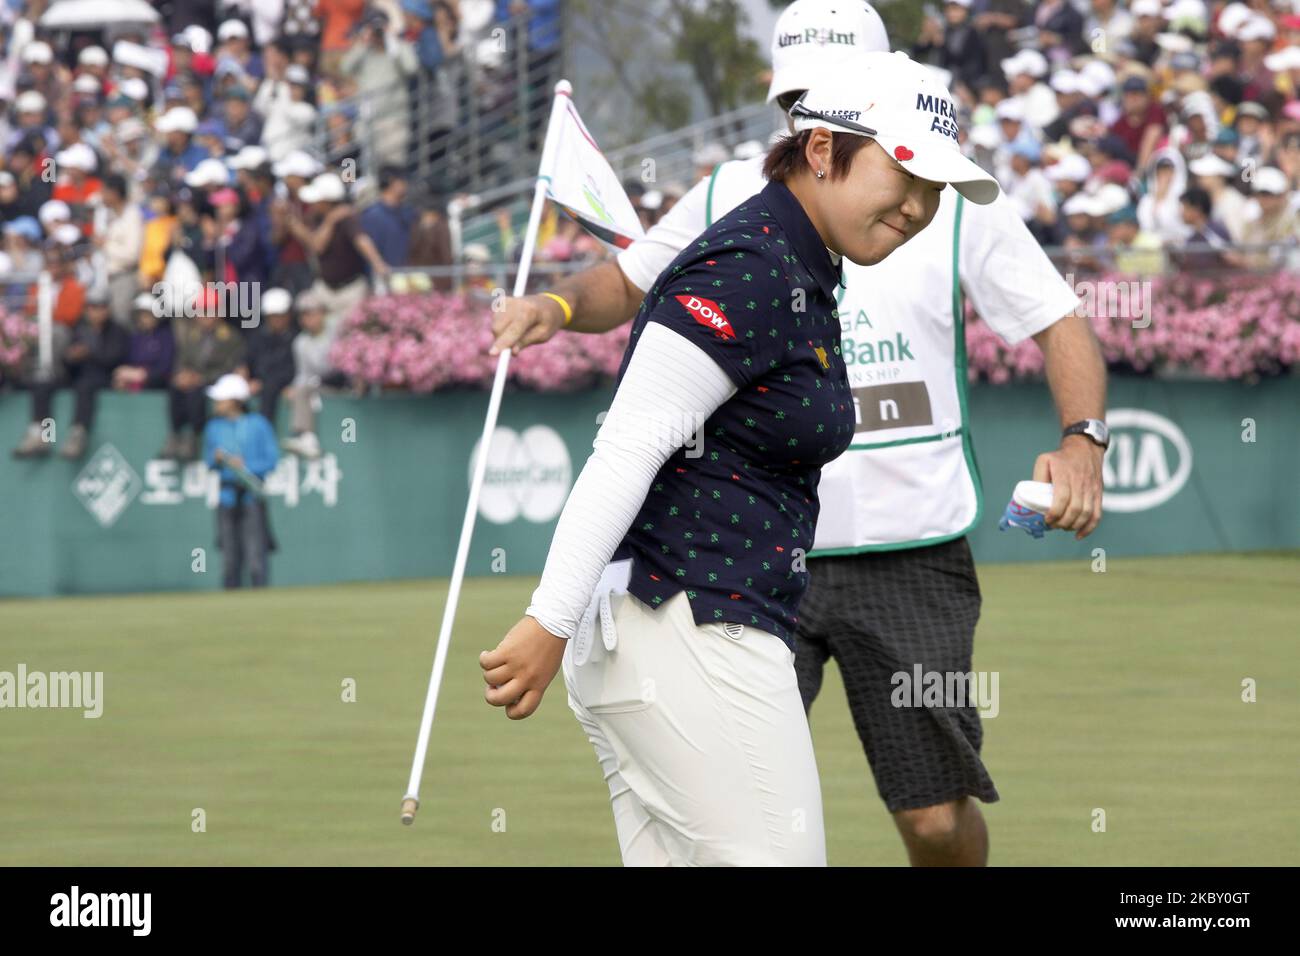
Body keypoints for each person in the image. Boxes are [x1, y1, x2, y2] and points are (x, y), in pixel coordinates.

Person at [489, 0, 1106, 868]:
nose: (920, 207)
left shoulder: (805, 254)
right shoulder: (753, 257)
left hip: (789, 585)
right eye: (905, 177)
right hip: (692, 614)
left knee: (923, 816)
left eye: (934, 186)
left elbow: (1059, 318)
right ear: (815, 143)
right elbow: (630, 442)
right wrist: (546, 619)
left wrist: (1086, 436)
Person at [12, 288, 129, 461]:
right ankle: (43, 435)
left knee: (85, 386)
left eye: (100, 306)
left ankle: (77, 433)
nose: (96, 311)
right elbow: (67, 360)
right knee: (43, 383)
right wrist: (71, 356)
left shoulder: (117, 330)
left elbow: (115, 358)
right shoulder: (79, 328)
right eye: (92, 306)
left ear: (108, 309)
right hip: (77, 374)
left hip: (103, 377)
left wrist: (89, 353)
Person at [203, 373, 279, 589]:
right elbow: (209, 460)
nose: (216, 403)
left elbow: (271, 460)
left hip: (251, 497)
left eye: (221, 399)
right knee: (229, 557)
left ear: (235, 401)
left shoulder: (258, 424)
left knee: (256, 555)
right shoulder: (213, 427)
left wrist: (245, 466)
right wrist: (218, 460)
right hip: (226, 497)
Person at [163, 296, 247, 461]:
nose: (203, 316)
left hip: (215, 382)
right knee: (175, 388)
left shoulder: (230, 337)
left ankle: (194, 437)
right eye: (200, 311)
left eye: (208, 311)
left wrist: (202, 378)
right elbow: (182, 359)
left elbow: (230, 367)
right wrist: (182, 375)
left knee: (196, 393)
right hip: (192, 379)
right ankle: (176, 434)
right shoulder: (191, 336)